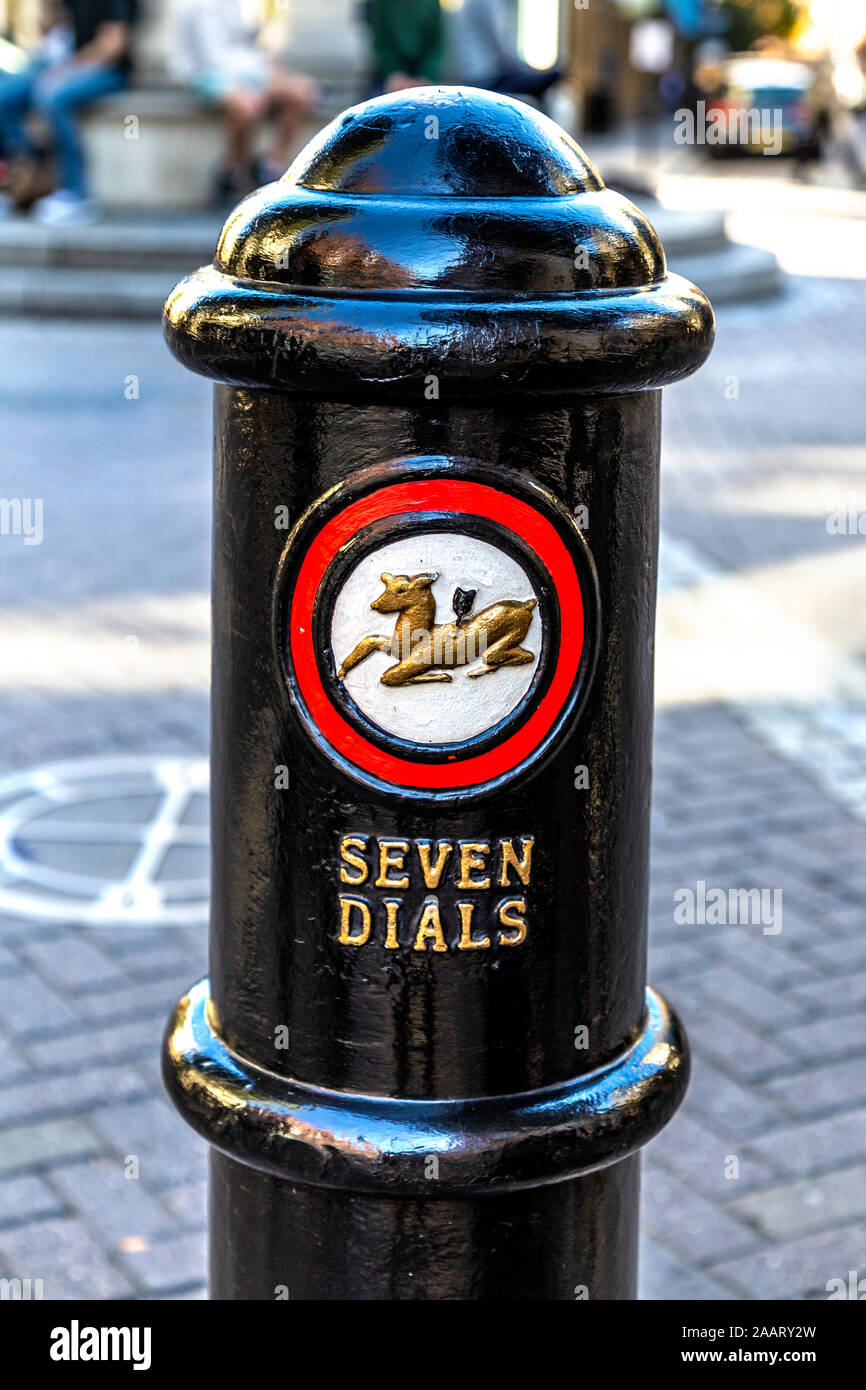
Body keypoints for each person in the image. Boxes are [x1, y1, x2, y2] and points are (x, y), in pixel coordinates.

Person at [0, 1, 137, 225]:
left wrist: (64, 68)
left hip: (108, 71)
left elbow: (113, 45)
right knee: (4, 95)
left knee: (52, 96)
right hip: (67, 62)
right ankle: (23, 170)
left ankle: (76, 194)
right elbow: (50, 27)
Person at [170, 0, 317, 204]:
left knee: (302, 93)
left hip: (249, 71)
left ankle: (271, 168)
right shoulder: (195, 5)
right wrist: (262, 76)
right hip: (205, 74)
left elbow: (260, 45)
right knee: (247, 105)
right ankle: (230, 171)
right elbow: (213, 59)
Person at [447, 0, 561, 104]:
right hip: (483, 78)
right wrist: (528, 71)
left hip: (480, 75)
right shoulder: (487, 2)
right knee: (555, 74)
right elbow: (501, 49)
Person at [363, 0, 443, 95]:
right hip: (389, 71)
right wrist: (393, 73)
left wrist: (426, 76)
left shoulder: (431, 3)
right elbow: (381, 42)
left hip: (422, 71)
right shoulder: (384, 3)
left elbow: (436, 44)